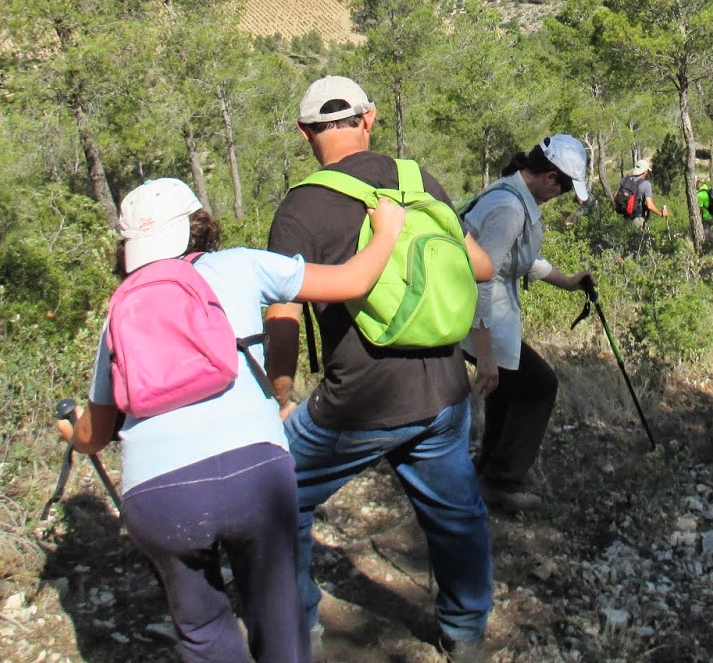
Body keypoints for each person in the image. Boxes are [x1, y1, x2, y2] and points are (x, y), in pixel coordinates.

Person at [57, 176, 406, 663]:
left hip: (159, 498)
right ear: (198, 226)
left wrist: (72, 429)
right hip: (255, 474)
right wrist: (388, 230)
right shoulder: (239, 266)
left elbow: (94, 436)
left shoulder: (120, 311)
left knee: (202, 629)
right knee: (277, 610)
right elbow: (351, 281)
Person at [262, 76, 496, 663]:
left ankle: (298, 628)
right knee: (456, 514)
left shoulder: (300, 208)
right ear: (368, 120)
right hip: (444, 391)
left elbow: (283, 313)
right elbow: (482, 267)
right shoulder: (419, 181)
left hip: (359, 400)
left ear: (304, 133)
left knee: (276, 494)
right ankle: (465, 633)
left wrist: (281, 389)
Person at [463, 135, 594, 514]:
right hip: (481, 315)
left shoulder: (512, 193)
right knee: (539, 385)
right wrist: (485, 356)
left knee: (508, 391)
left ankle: (488, 470)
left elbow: (517, 261)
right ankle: (501, 481)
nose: (562, 195)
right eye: (566, 188)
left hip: (490, 314)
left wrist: (568, 281)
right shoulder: (509, 207)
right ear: (551, 178)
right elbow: (482, 278)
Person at [617, 157, 670, 223]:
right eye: (647, 171)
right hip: (637, 218)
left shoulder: (624, 180)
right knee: (638, 233)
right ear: (645, 172)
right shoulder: (646, 184)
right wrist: (661, 214)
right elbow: (649, 205)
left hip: (623, 217)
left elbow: (616, 196)